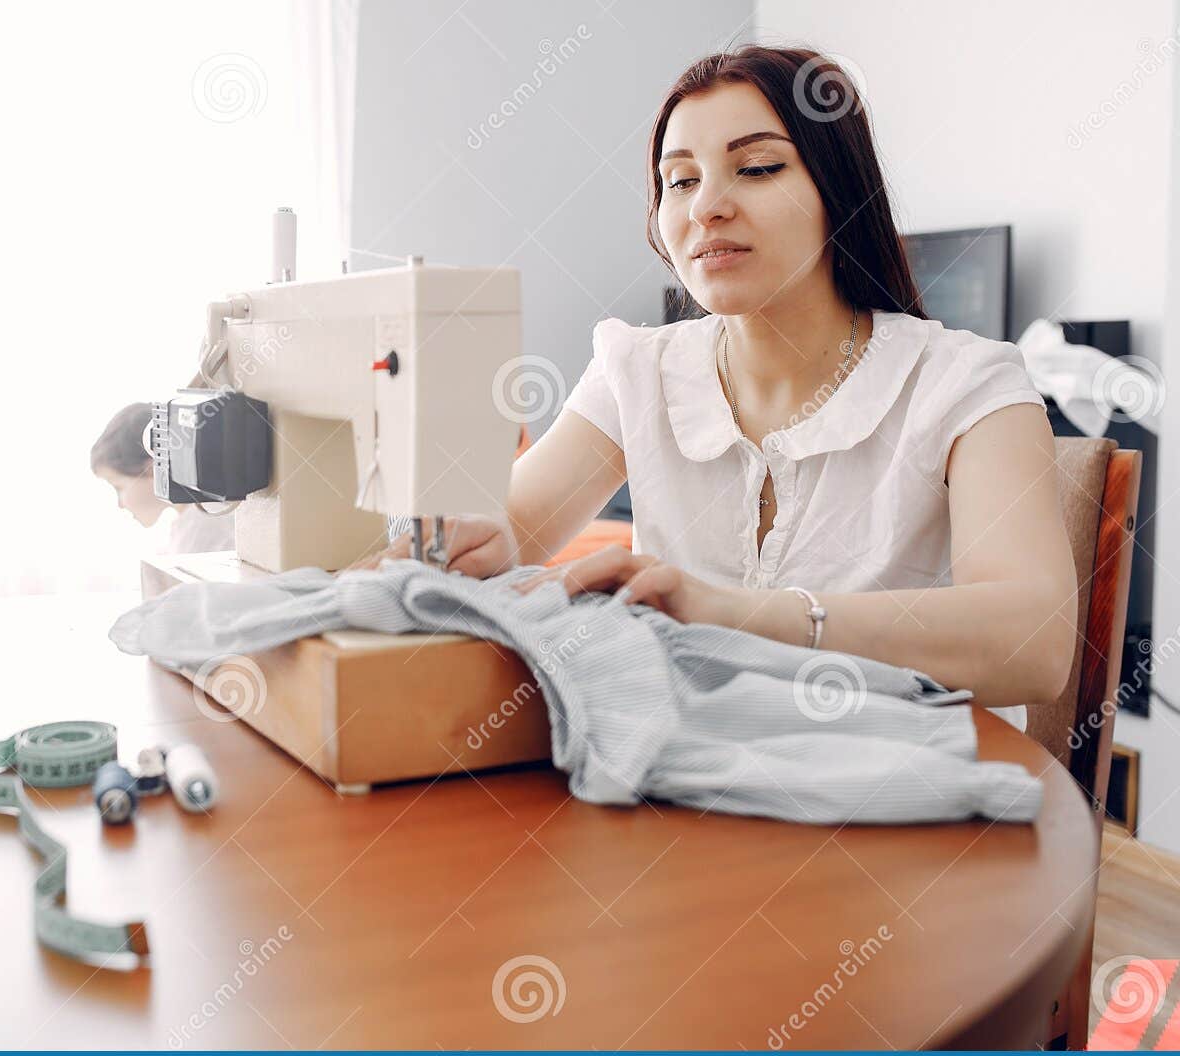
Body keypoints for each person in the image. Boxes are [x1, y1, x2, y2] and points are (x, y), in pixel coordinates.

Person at [358, 45, 1076, 728]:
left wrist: (728, 612)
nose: (706, 207)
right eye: (680, 180)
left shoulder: (970, 384)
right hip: (686, 786)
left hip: (895, 807)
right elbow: (512, 526)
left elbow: (1034, 644)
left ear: (839, 189)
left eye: (758, 167)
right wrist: (466, 541)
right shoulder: (636, 369)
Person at [89, 402, 236, 554]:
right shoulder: (193, 521)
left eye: (118, 487)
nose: (120, 504)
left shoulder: (204, 528)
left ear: (153, 468)